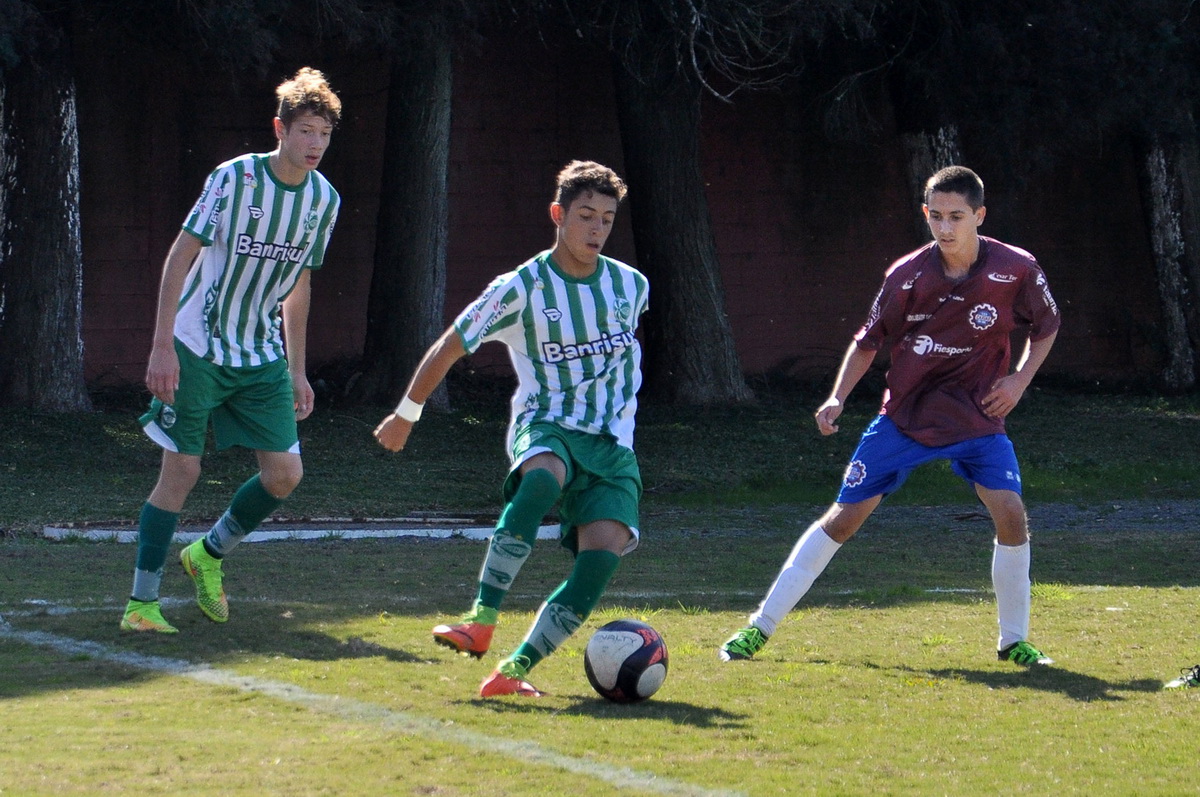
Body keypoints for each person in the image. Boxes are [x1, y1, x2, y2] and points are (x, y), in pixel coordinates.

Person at [719, 165, 1061, 667]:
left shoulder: (1016, 268)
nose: (946, 228)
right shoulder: (908, 276)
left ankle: (1015, 642)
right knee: (843, 520)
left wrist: (1019, 379)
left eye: (957, 217)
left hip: (977, 419)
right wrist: (838, 397)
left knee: (1011, 514)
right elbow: (867, 341)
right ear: (925, 214)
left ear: (980, 216)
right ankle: (758, 628)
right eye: (937, 216)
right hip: (906, 419)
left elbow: (1047, 325)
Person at [374, 160, 648, 698]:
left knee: (599, 563)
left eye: (607, 220)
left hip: (614, 448)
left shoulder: (631, 286)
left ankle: (514, 671)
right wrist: (406, 414)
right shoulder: (519, 288)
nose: (596, 229)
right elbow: (450, 345)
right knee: (542, 480)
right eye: (585, 216)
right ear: (558, 215)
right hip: (546, 423)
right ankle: (481, 619)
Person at [119, 68, 342, 633]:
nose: (315, 143)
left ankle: (207, 555)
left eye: (324, 133)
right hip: (195, 345)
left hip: (259, 352)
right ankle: (141, 606)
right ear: (281, 129)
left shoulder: (324, 200)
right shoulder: (235, 179)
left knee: (285, 474)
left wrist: (297, 371)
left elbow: (300, 285)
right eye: (306, 130)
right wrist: (161, 346)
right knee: (182, 471)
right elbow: (180, 256)